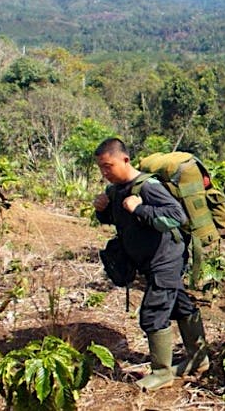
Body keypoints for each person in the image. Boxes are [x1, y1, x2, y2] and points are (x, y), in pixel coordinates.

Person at [92, 138, 210, 391]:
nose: (105, 172)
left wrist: (140, 209)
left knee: (153, 313)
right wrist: (101, 210)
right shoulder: (116, 191)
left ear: (125, 159)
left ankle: (162, 373)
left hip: (166, 259)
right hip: (149, 261)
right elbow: (117, 219)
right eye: (101, 168)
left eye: (108, 166)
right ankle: (199, 359)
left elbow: (177, 216)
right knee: (179, 303)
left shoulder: (148, 187)